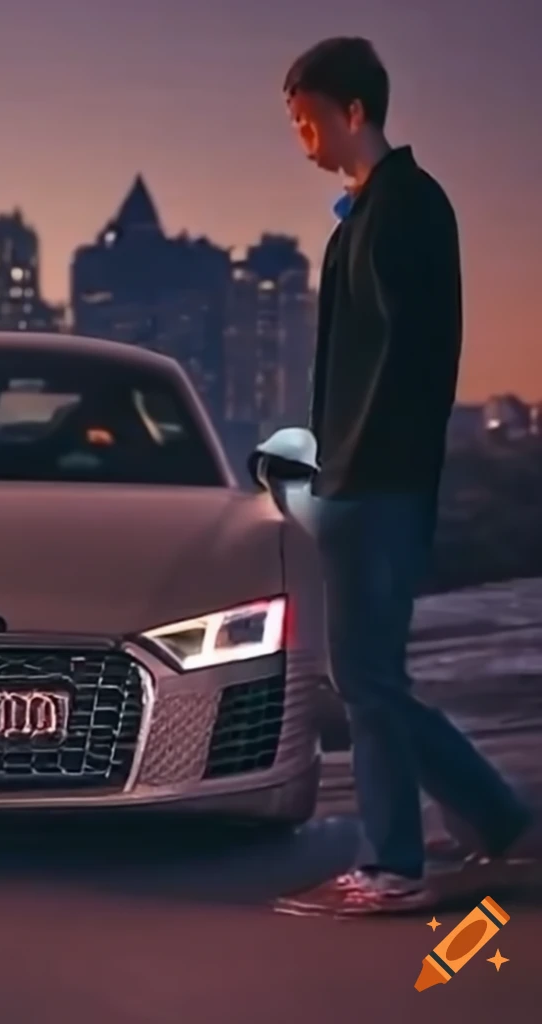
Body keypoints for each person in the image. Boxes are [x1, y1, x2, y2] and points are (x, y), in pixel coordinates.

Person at [276, 36, 538, 915]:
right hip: (359, 473)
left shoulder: (406, 207)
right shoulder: (368, 212)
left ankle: (392, 868)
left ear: (355, 112)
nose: (302, 138)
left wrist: (352, 466)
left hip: (375, 479)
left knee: (365, 677)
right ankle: (497, 817)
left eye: (310, 119)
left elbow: (413, 358)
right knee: (372, 674)